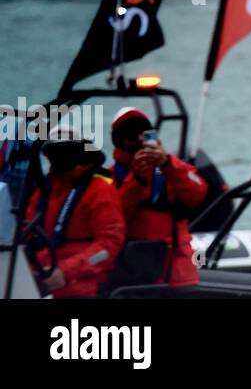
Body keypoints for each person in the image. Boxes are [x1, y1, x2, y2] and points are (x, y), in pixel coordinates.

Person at [109, 108, 209, 290]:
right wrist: (136, 179)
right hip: (133, 274)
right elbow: (114, 218)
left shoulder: (171, 167)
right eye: (131, 136)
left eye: (144, 134)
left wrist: (166, 163)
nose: (139, 140)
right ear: (120, 141)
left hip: (177, 273)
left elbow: (197, 194)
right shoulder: (109, 177)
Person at [24, 125, 124, 298]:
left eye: (67, 149)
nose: (60, 156)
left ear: (79, 151)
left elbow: (109, 245)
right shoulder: (42, 192)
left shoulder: (100, 190)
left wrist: (65, 271)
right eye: (54, 151)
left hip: (85, 287)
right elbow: (24, 234)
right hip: (38, 284)